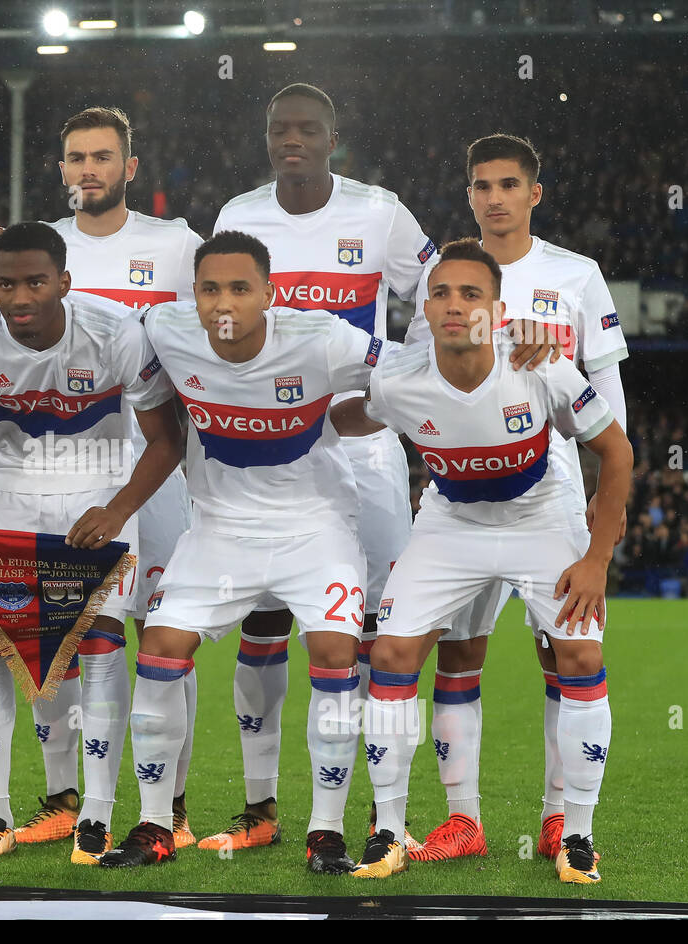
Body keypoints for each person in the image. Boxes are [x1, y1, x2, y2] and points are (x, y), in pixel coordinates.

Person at [332, 239, 631, 884]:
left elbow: (619, 451)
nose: (454, 305)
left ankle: (576, 834)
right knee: (389, 656)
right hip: (452, 519)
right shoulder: (399, 379)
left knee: (579, 655)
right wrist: (289, 416)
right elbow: (354, 417)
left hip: (541, 515)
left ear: (498, 309)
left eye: (471, 294)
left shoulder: (541, 366)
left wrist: (597, 558)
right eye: (440, 293)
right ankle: (389, 830)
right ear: (424, 306)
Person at [0, 107, 203, 849]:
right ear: (60, 169)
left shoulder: (176, 244)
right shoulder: (23, 248)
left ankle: (171, 802)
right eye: (75, 157)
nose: (87, 168)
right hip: (52, 471)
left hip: (144, 469)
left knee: (158, 638)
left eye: (102, 156)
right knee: (45, 636)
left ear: (130, 167)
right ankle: (64, 797)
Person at [100, 230, 383, 869]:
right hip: (220, 529)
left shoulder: (321, 337)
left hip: (314, 526)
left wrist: (497, 341)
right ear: (191, 294)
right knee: (160, 650)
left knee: (337, 651)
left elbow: (413, 370)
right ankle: (153, 827)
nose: (222, 303)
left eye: (238, 288)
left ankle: (327, 832)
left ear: (269, 294)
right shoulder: (165, 328)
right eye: (209, 288)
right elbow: (83, 321)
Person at [207, 84, 433, 865]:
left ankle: (385, 811)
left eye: (307, 128)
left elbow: (438, 298)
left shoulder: (380, 211)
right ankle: (261, 806)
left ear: (335, 137)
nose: (291, 139)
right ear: (267, 138)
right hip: (270, 451)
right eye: (279, 129)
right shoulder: (239, 214)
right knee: (264, 622)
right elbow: (211, 320)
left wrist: (399, 388)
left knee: (383, 634)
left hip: (360, 449)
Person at [0, 222, 184, 864]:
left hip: (98, 490)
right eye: (5, 283)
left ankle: (94, 817)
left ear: (65, 281)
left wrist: (118, 510)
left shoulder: (117, 330)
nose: (19, 296)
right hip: (6, 498)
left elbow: (167, 439)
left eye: (36, 281)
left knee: (97, 649)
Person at [401, 135, 629, 862]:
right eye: (480, 185)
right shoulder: (442, 278)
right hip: (461, 494)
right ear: (468, 194)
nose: (493, 197)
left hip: (549, 491)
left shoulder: (577, 276)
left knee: (564, 656)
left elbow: (610, 421)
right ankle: (463, 820)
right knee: (458, 652)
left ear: (536, 192)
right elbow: (415, 382)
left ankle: (562, 817)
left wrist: (600, 548)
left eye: (508, 184)